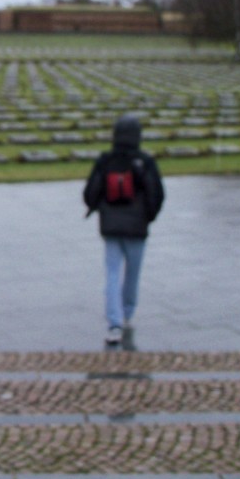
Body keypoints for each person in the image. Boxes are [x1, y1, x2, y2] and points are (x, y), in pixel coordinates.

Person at [83, 115, 165, 345]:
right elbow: (156, 194)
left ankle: (114, 322)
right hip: (137, 226)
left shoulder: (105, 161)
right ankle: (126, 313)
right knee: (132, 273)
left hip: (110, 225)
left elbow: (91, 192)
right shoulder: (144, 161)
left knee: (111, 272)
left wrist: (98, 207)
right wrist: (148, 217)